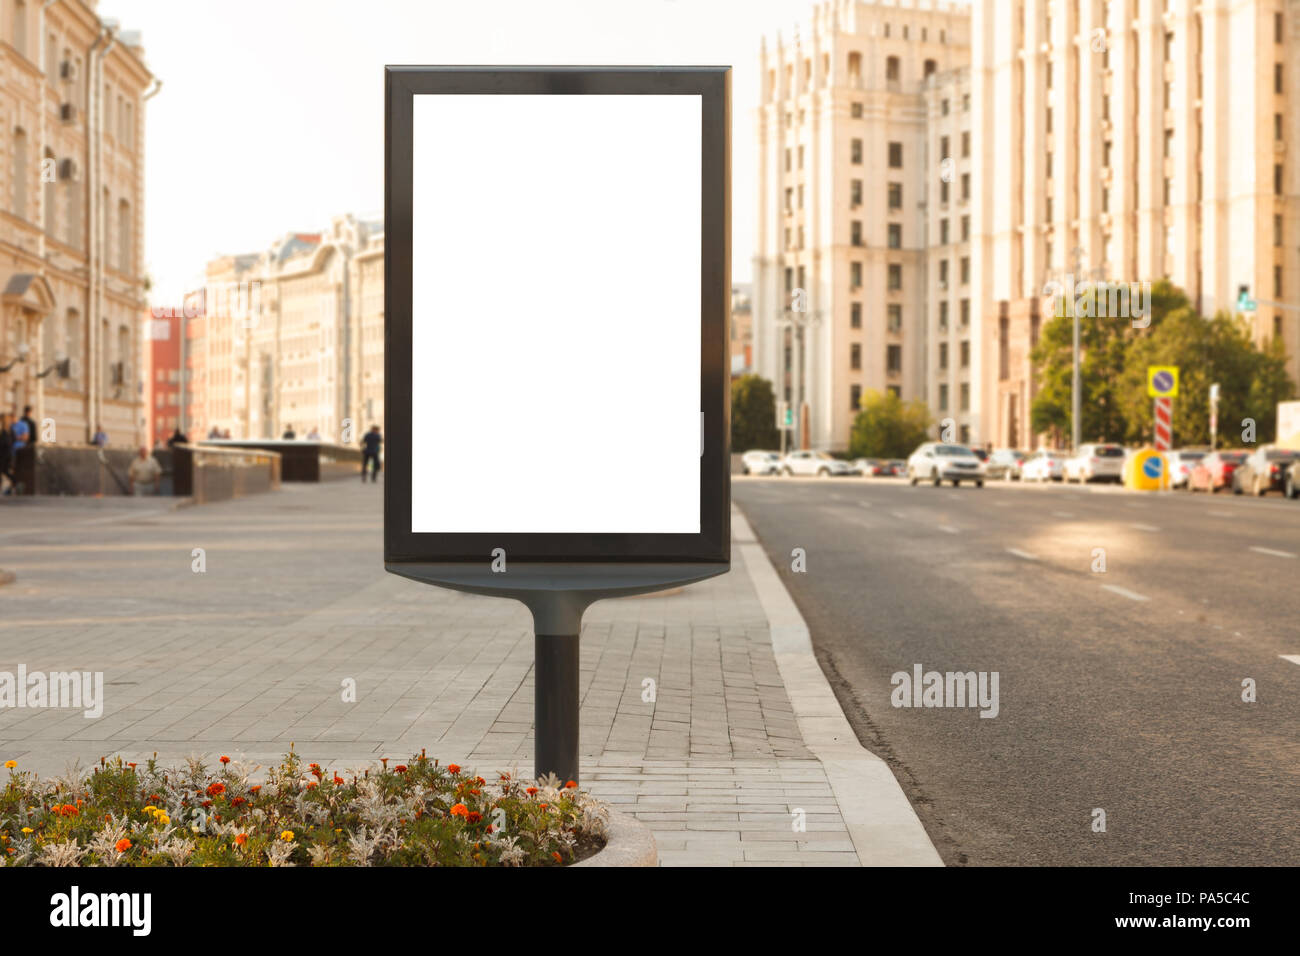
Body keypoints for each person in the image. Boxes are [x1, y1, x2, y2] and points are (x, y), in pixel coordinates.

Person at [0, 413, 13, 495]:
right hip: (7, 454)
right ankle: (15, 482)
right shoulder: (8, 430)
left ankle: (16, 482)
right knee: (4, 471)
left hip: (4, 454)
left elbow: (4, 443)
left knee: (3, 471)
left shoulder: (5, 431)